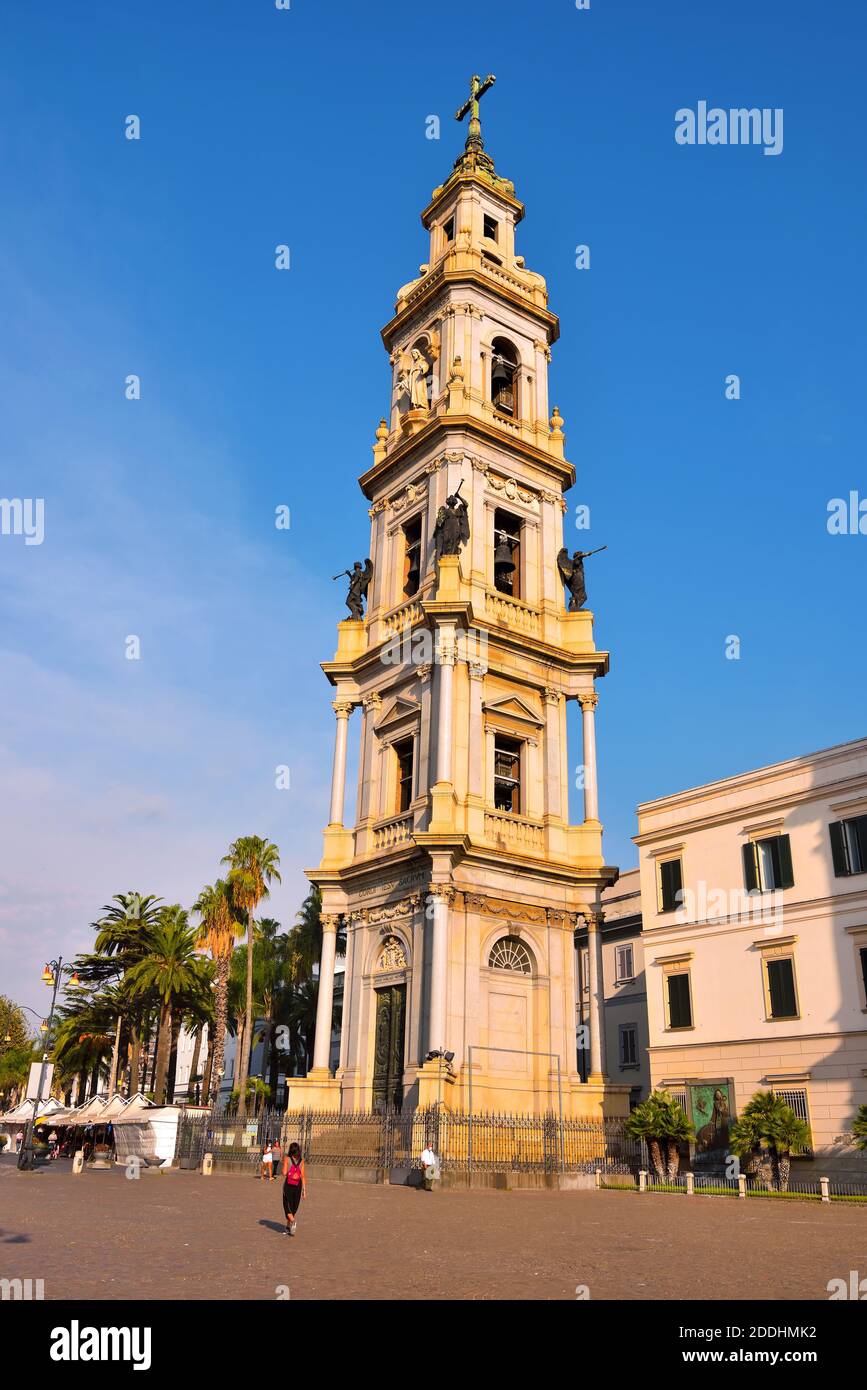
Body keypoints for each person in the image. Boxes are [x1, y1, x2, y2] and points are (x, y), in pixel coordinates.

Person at [281, 1141, 306, 1235]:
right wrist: (304, 1190)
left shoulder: (287, 1158)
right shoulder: (302, 1161)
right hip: (298, 1186)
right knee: (293, 1208)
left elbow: (283, 1173)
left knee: (287, 1207)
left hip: (288, 1186)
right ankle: (288, 1227)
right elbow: (303, 1176)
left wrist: (290, 1173)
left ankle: (293, 1222)